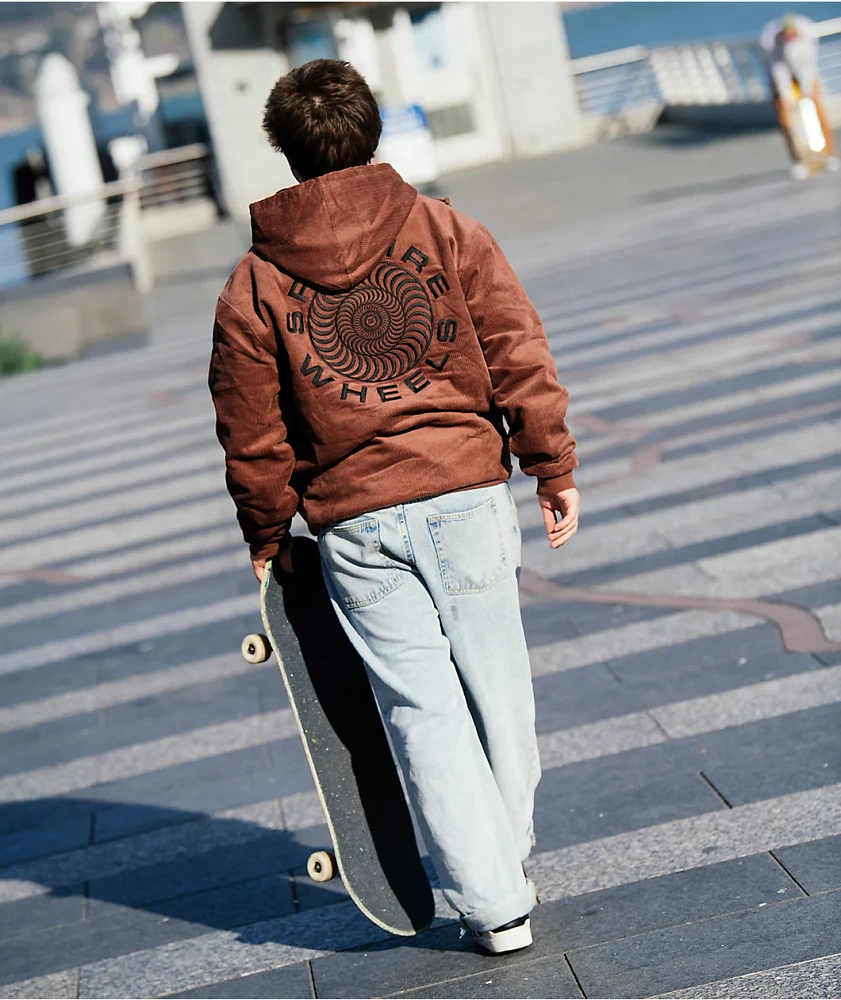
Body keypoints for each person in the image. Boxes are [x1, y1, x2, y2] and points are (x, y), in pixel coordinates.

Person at [209, 59, 579, 955]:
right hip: (464, 496)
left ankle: (491, 903)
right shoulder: (447, 229)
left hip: (352, 523)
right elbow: (514, 347)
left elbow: (250, 429)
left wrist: (267, 531)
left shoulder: (254, 286)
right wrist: (550, 463)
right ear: (372, 131)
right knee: (498, 691)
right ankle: (505, 864)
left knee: (419, 713)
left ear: (284, 152)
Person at [760, 13, 839, 177]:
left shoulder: (808, 33)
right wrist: (784, 95)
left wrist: (807, 89)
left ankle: (829, 155)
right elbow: (778, 69)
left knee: (817, 105)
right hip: (781, 72)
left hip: (804, 70)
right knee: (785, 115)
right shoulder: (770, 40)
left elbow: (808, 65)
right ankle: (799, 160)